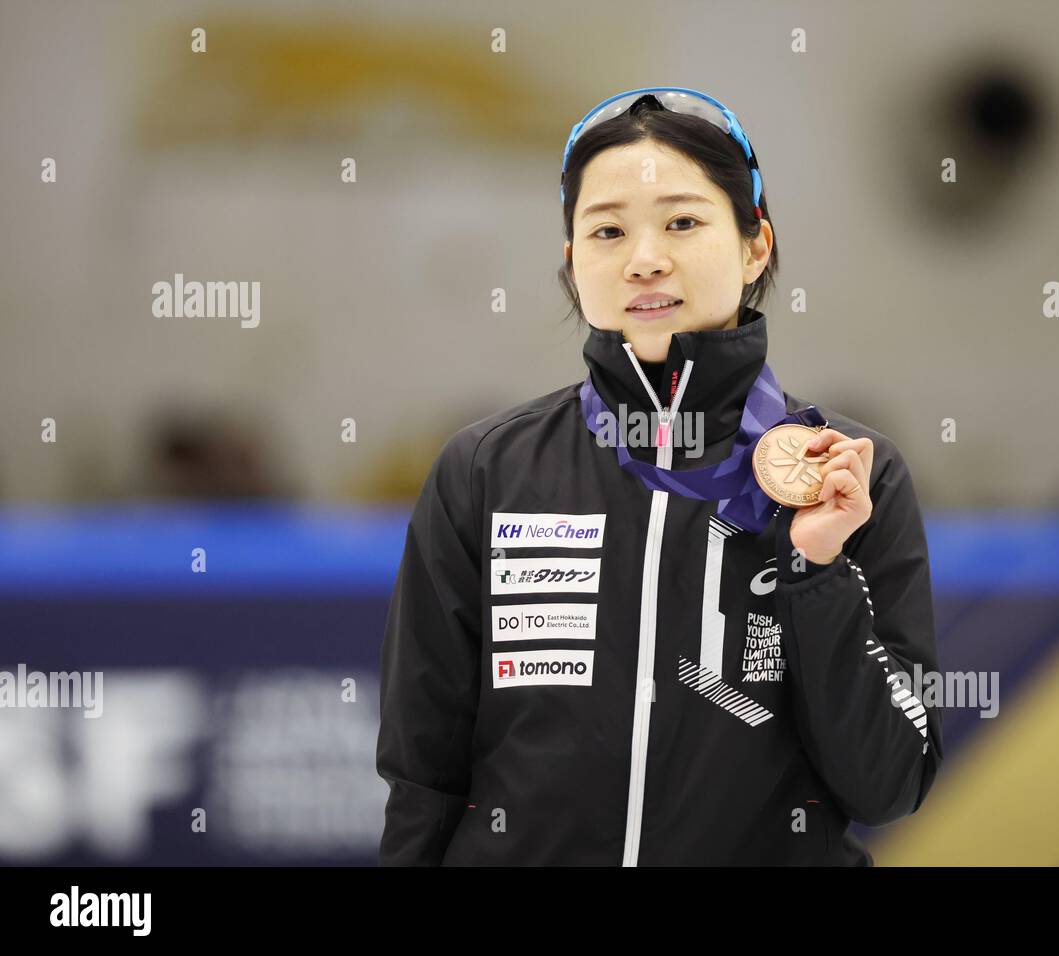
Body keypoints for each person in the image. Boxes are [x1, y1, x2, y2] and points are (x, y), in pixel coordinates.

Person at [377, 87, 943, 866]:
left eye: (682, 221)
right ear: (574, 265)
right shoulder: (485, 470)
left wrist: (816, 570)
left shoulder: (845, 476)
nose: (645, 259)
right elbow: (422, 775)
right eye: (607, 230)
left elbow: (889, 786)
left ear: (756, 245)